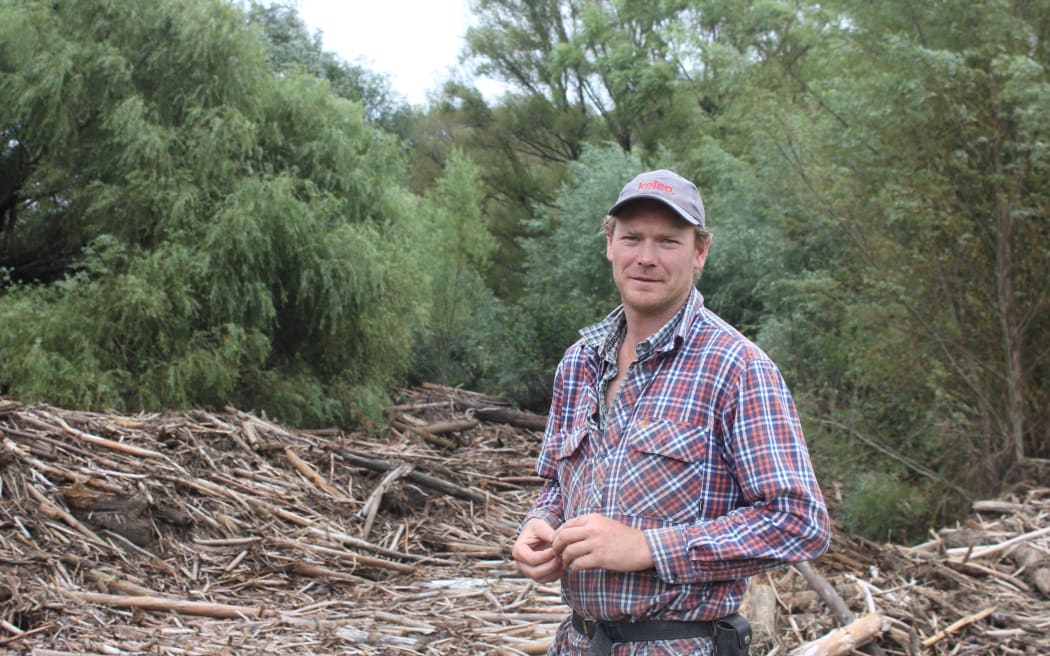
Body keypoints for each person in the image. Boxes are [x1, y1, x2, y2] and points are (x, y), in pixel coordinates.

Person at [511, 169, 831, 655]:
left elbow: (799, 522)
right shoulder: (578, 363)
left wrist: (648, 548)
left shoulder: (738, 367)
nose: (645, 257)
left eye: (668, 241)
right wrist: (542, 526)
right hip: (577, 642)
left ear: (699, 252)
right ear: (610, 245)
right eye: (632, 237)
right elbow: (558, 482)